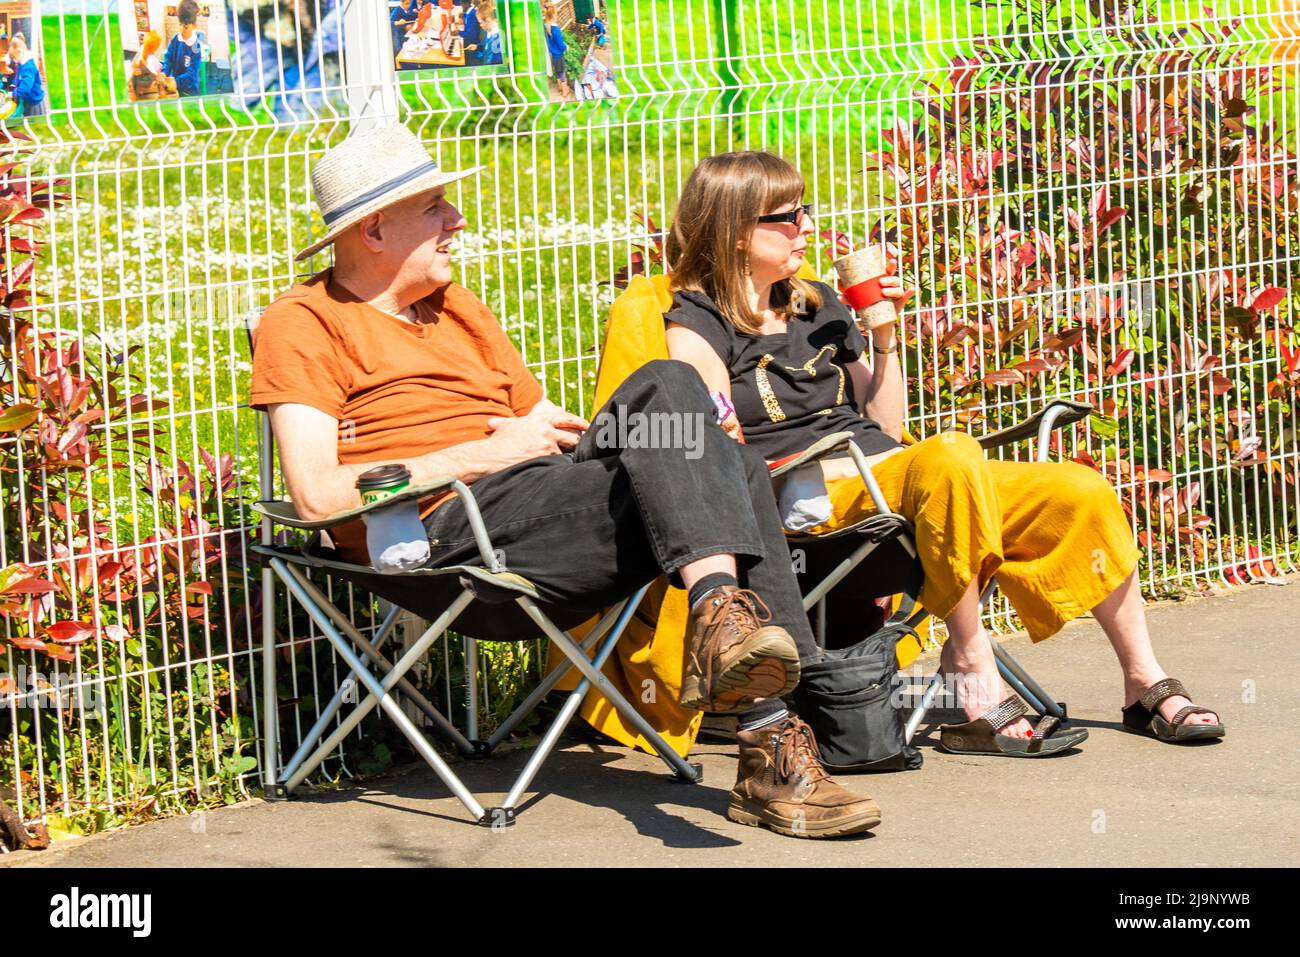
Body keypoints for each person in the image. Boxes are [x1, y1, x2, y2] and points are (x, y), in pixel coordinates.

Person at [249, 125, 882, 839]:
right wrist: (482, 455)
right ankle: (772, 739)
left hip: (549, 495)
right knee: (720, 458)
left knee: (686, 413)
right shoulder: (301, 323)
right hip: (452, 530)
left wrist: (659, 442)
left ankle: (720, 619)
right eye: (436, 208)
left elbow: (542, 421)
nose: (457, 220)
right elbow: (316, 495)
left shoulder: (458, 309)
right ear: (373, 229)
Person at [662, 151, 1226, 755]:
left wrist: (883, 337)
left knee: (1074, 488)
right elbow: (723, 453)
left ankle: (1143, 682)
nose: (807, 226)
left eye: (806, 210)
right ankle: (972, 672)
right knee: (950, 457)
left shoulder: (817, 302)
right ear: (737, 232)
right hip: (808, 494)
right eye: (788, 216)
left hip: (891, 474)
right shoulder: (696, 325)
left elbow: (884, 423)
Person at [163, 0, 204, 97]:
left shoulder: (195, 47)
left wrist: (176, 82)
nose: (181, 30)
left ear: (194, 26)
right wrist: (164, 72)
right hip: (176, 85)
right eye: (180, 24)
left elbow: (192, 74)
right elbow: (168, 58)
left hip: (189, 90)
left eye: (185, 27)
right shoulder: (175, 39)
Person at [130, 31, 177, 101]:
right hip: (141, 81)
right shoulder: (142, 58)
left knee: (160, 78)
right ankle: (162, 93)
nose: (155, 51)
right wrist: (160, 79)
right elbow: (151, 72)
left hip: (143, 79)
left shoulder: (145, 51)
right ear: (151, 47)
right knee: (160, 81)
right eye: (155, 48)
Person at [7, 33, 45, 118]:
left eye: (14, 57)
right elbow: (19, 77)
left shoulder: (28, 67)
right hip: (27, 99)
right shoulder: (21, 63)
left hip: (33, 101)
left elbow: (26, 87)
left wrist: (13, 94)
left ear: (19, 51)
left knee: (33, 123)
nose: (14, 60)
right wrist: (14, 84)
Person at [542, 6, 570, 98]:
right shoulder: (556, 29)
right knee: (562, 72)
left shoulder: (546, 26)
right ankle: (565, 91)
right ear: (554, 15)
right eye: (556, 14)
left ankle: (559, 87)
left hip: (553, 54)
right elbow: (560, 44)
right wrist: (566, 47)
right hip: (558, 54)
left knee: (557, 71)